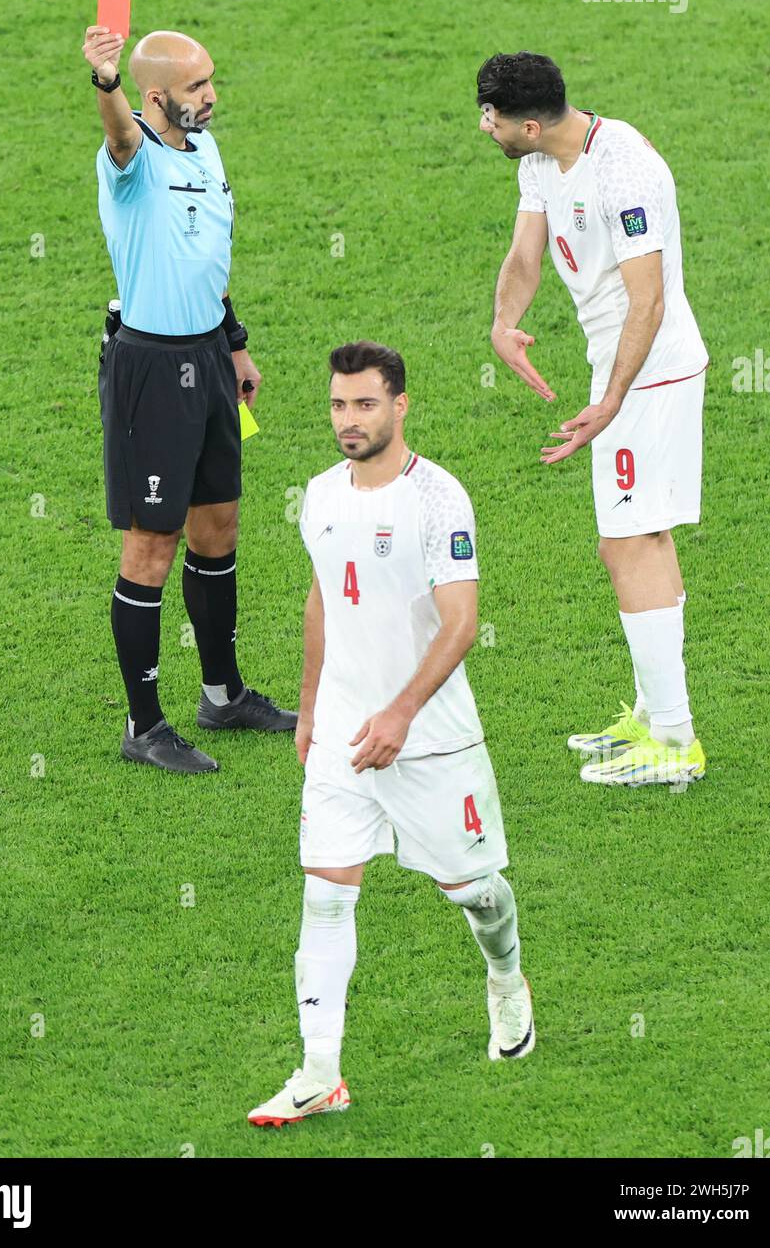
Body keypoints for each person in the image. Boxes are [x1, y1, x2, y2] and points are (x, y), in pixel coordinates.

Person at [247, 341, 533, 1127]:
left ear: (399, 405)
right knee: (325, 897)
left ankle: (505, 979)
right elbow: (320, 601)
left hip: (431, 741)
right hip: (343, 736)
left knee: (473, 893)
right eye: (338, 405)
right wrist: (310, 708)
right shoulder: (318, 494)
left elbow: (462, 621)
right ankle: (317, 1072)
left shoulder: (437, 498)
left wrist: (402, 712)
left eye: (364, 404)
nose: (348, 420)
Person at [478, 52, 708, 788]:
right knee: (641, 539)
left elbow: (649, 300)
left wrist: (610, 400)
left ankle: (674, 741)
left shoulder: (622, 171)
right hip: (621, 371)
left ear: (532, 123)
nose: (486, 127)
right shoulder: (541, 161)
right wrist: (502, 322)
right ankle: (654, 714)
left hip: (648, 372)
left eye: (494, 118)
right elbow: (525, 253)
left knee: (626, 544)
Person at [82, 23, 296, 775]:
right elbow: (117, 137)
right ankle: (143, 727)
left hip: (207, 357)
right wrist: (105, 85)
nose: (211, 95)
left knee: (218, 527)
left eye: (211, 80)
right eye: (197, 86)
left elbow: (212, 248)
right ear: (156, 97)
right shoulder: (129, 157)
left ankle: (223, 694)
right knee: (151, 544)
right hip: (149, 370)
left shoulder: (204, 146)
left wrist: (234, 341)